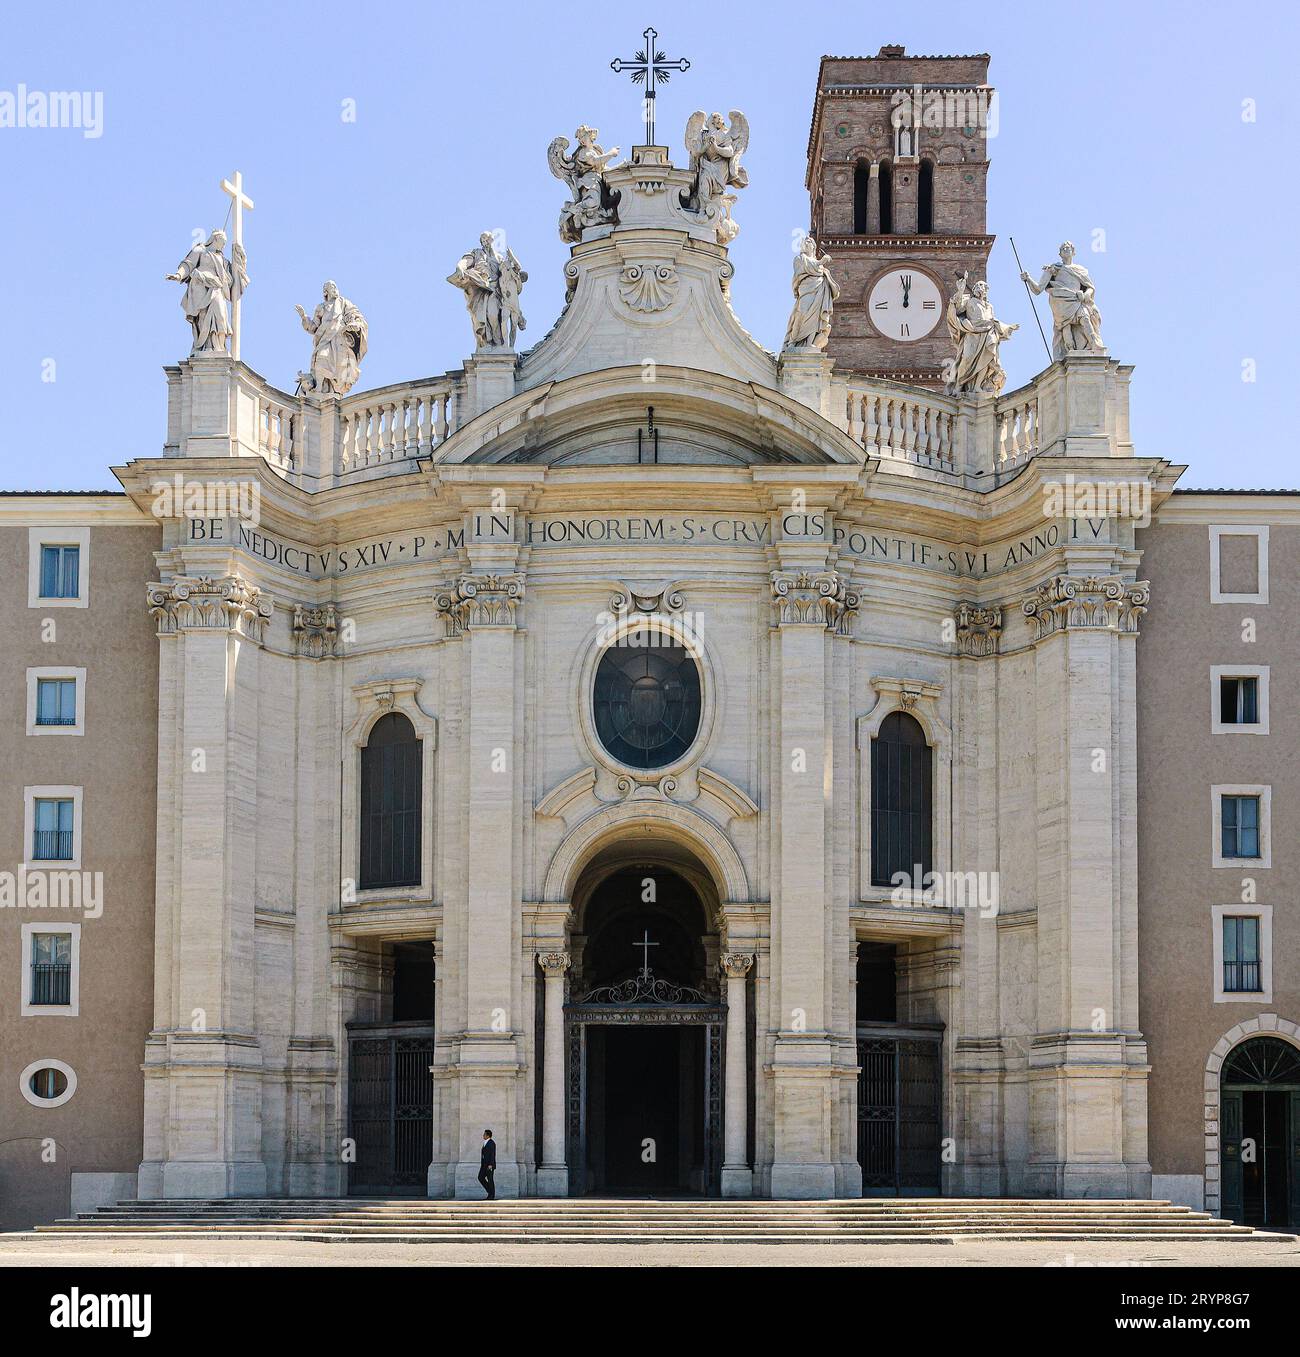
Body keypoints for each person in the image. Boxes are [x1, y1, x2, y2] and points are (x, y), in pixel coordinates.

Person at [478, 1128, 496, 1199]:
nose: (483, 1135)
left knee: (490, 1180)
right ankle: (490, 1191)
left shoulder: (492, 1143)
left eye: (484, 1134)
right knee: (480, 1177)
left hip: (489, 1165)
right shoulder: (485, 1142)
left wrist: (491, 1164)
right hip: (484, 1165)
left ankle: (491, 1195)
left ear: (488, 1135)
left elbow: (492, 1154)